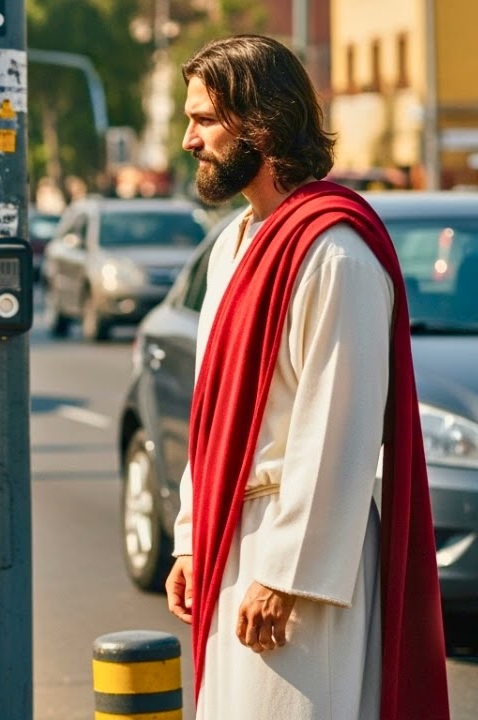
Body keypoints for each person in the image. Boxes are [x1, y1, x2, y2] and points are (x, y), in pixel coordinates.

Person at [164, 35, 449, 720]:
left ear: (259, 125)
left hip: (300, 563)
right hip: (235, 532)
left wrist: (289, 573)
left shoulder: (334, 253)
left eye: (203, 120)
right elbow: (214, 412)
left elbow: (339, 427)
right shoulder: (237, 242)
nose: (187, 140)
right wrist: (191, 537)